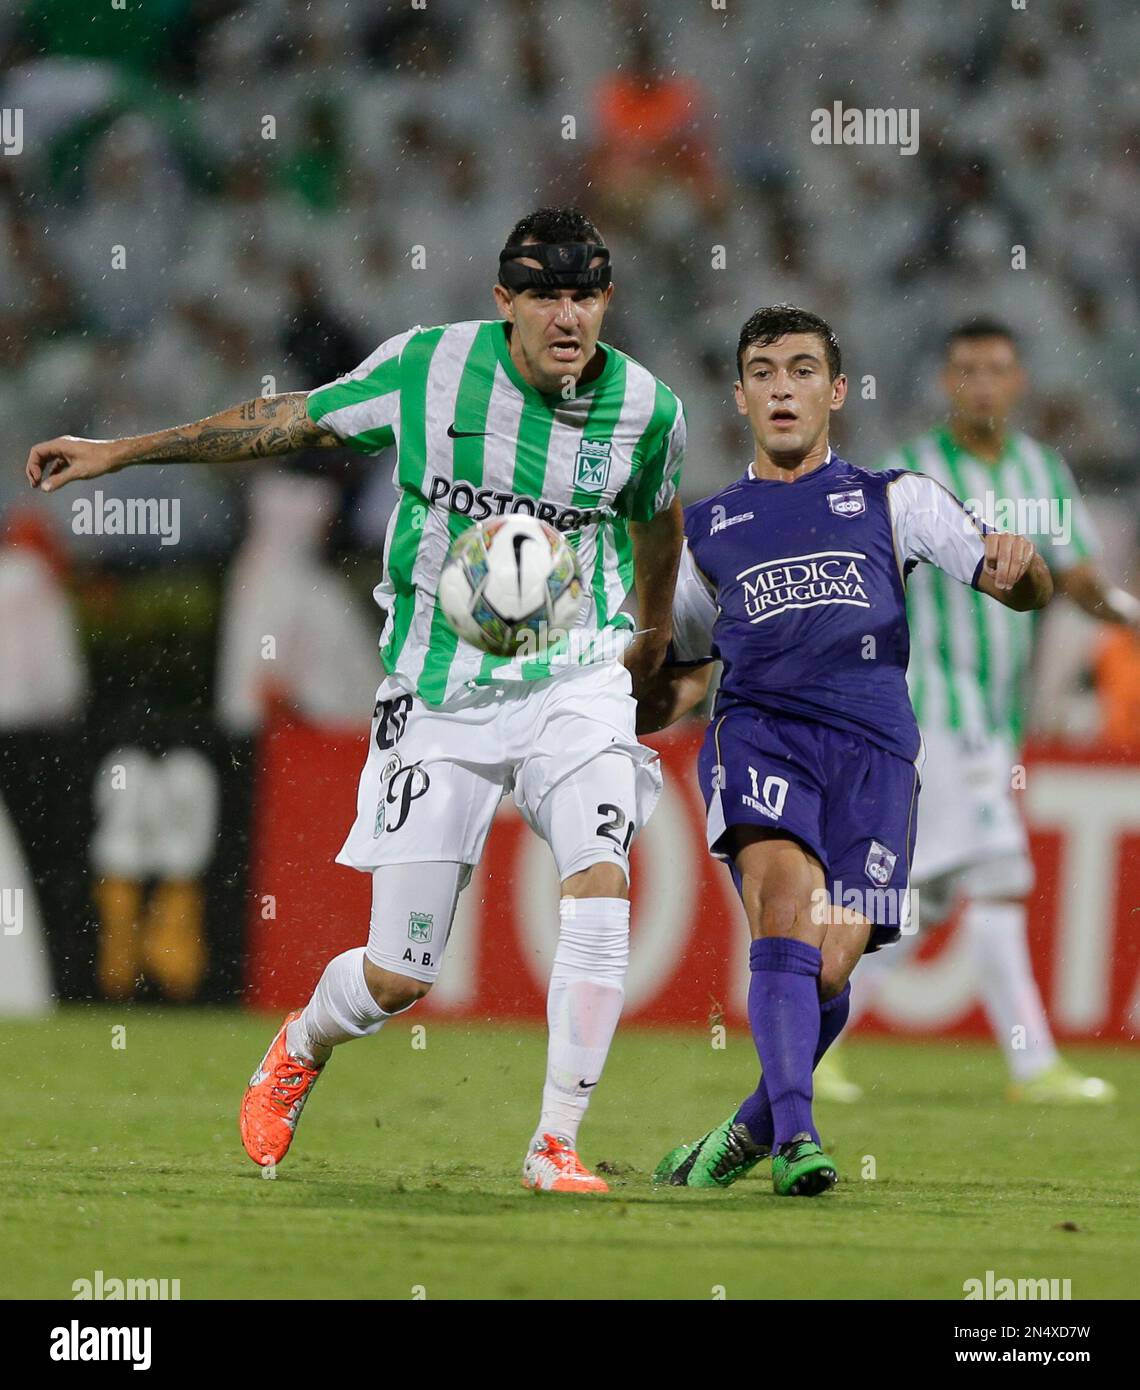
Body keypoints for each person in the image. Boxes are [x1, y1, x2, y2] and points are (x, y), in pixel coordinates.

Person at [24, 205, 686, 1194]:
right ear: (503, 301)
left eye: (585, 293)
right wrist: (124, 452)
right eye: (545, 293)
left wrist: (654, 631)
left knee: (600, 873)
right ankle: (301, 1041)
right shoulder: (430, 369)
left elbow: (659, 521)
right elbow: (286, 417)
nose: (567, 316)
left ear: (607, 301)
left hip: (573, 676)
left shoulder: (645, 407)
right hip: (438, 695)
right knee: (399, 974)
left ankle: (555, 1142)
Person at [635, 305, 1052, 1196]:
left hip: (875, 756)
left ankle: (742, 1135)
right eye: (763, 371)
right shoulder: (706, 532)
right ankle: (797, 1139)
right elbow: (676, 666)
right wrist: (623, 684)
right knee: (784, 906)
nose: (782, 387)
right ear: (739, 394)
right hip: (759, 737)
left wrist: (1027, 563)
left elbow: (1015, 585)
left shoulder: (894, 499)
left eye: (800, 369)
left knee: (830, 960)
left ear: (837, 389)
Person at [849, 319, 1139, 1102]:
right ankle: (1033, 1063)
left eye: (996, 369)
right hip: (930, 707)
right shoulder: (910, 469)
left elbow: (1075, 574)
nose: (981, 382)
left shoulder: (1042, 470)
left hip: (993, 713)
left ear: (1018, 382)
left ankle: (817, 1027)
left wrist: (1127, 611)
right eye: (966, 368)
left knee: (930, 895)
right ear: (947, 382)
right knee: (1002, 873)